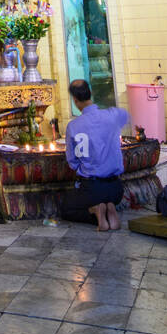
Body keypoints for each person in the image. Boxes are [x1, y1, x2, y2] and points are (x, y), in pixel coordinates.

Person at [61, 79, 129, 231]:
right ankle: (110, 207)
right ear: (90, 93)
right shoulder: (113, 115)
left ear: (75, 100)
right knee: (106, 196)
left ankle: (97, 211)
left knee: (66, 208)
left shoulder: (73, 126)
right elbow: (126, 117)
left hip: (92, 189)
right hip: (116, 189)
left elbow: (72, 161)